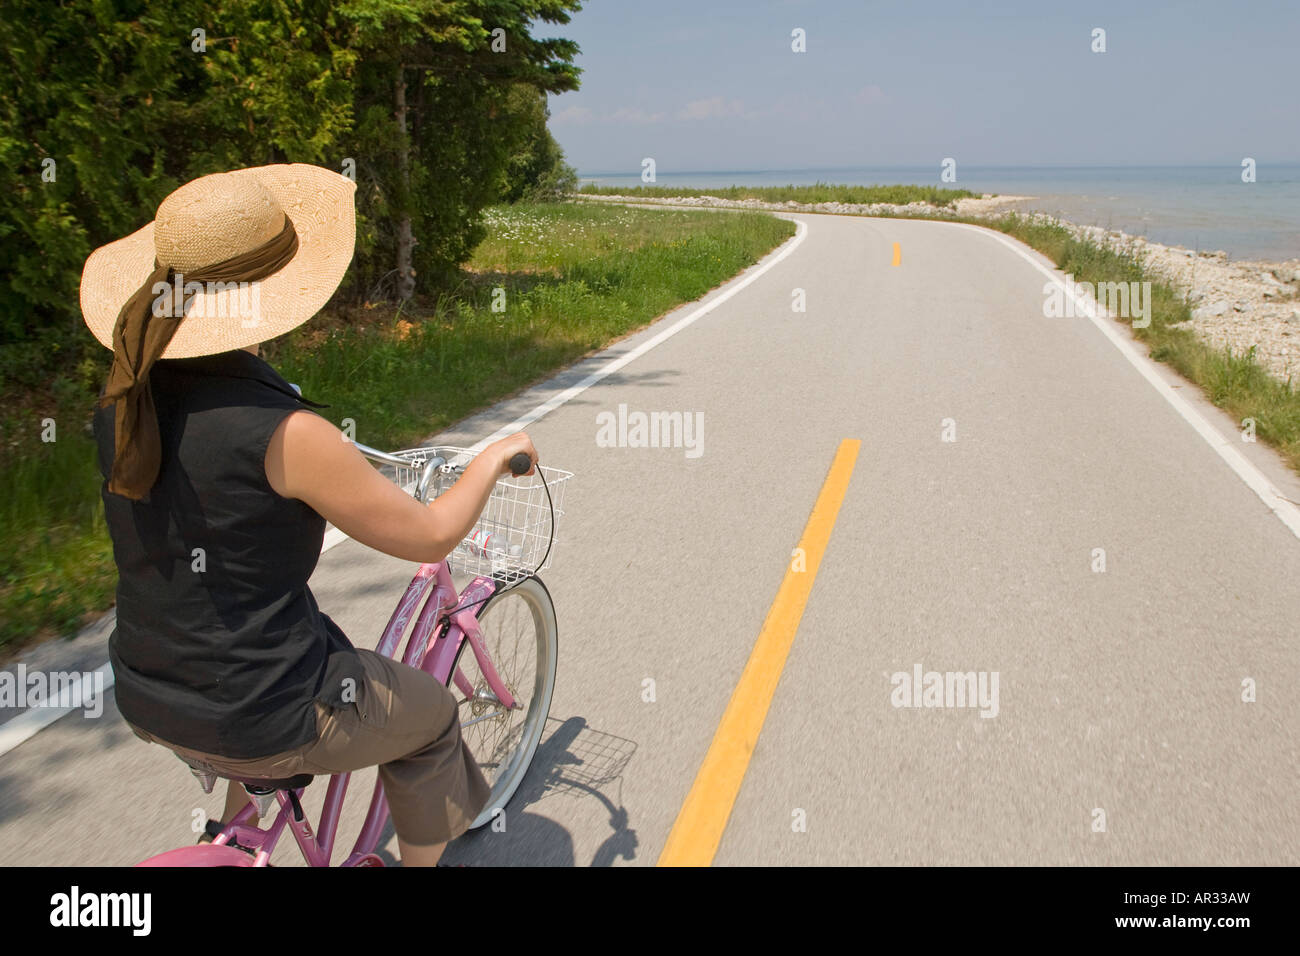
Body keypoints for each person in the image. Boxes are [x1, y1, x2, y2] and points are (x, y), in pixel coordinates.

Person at [81, 163, 535, 866]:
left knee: (265, 636)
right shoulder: (288, 435)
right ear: (270, 297)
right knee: (434, 720)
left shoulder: (124, 401)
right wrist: (493, 457)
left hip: (148, 691)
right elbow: (433, 533)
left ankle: (233, 826)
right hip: (263, 709)